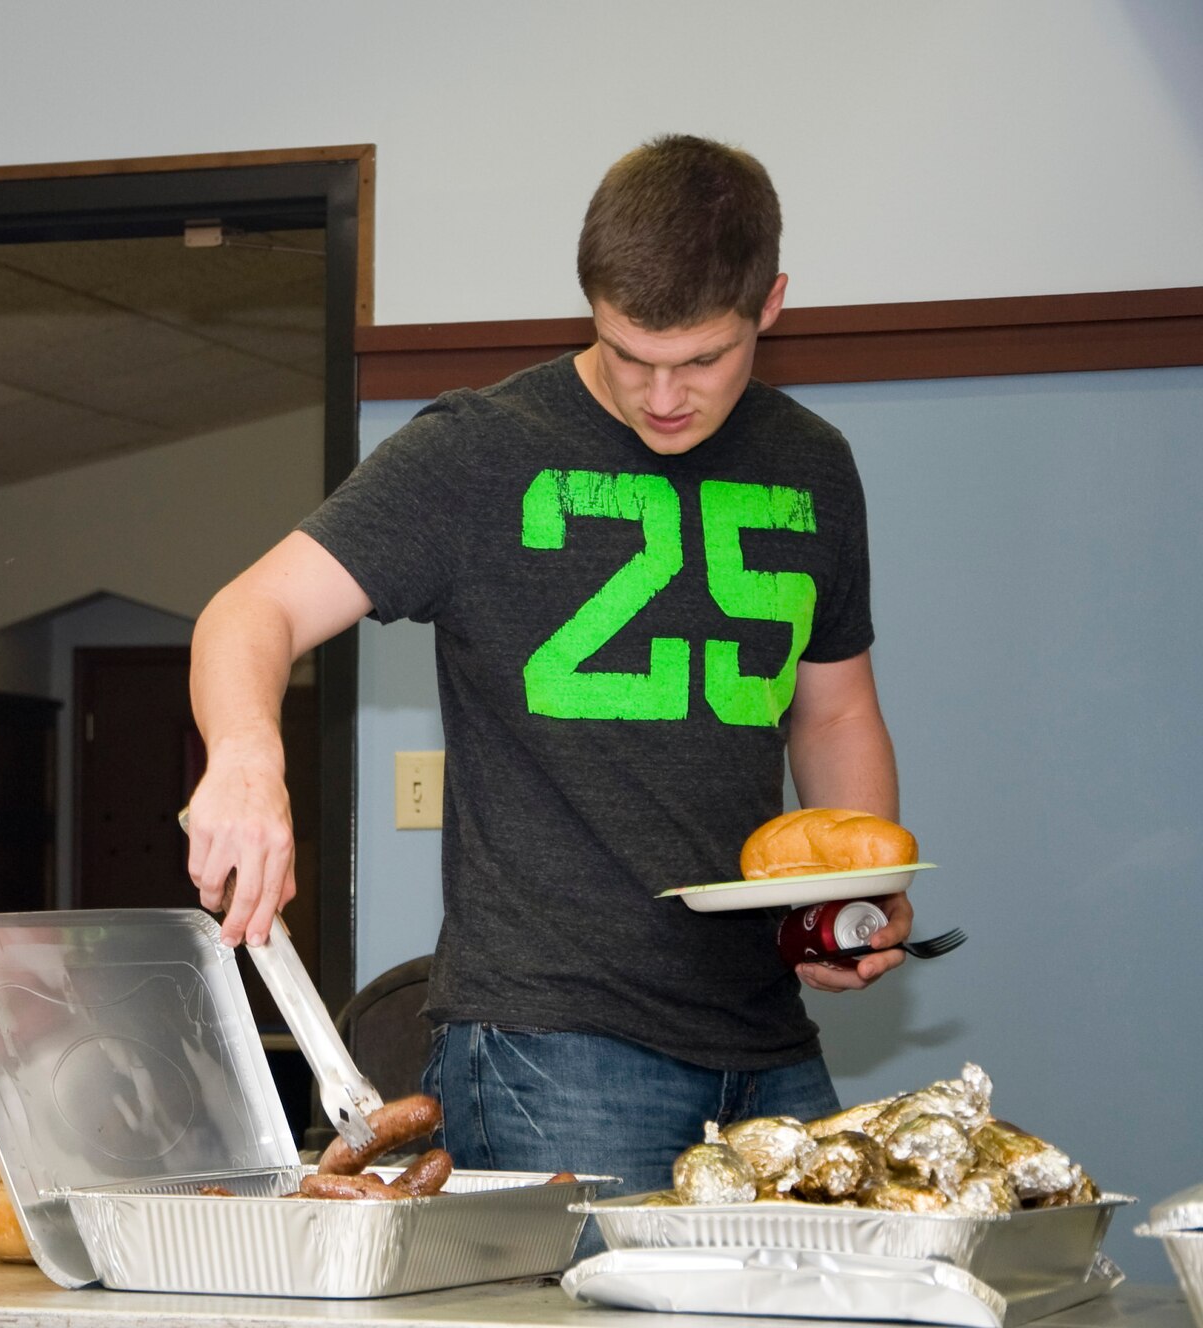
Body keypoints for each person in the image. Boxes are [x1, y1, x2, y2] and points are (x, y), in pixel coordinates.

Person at [185, 136, 909, 1214]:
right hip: (549, 1048)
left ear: (771, 305)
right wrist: (245, 758)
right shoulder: (477, 450)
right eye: (627, 353)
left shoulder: (812, 464)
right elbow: (252, 607)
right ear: (590, 306)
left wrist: (851, 895)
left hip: (768, 1038)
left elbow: (835, 705)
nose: (662, 395)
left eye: (701, 359)